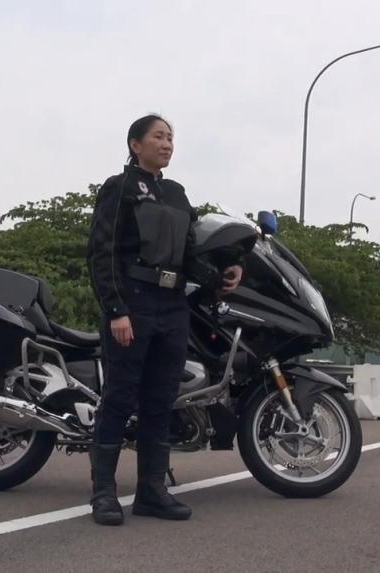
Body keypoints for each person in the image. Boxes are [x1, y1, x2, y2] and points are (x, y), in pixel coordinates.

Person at [86, 114, 242, 526]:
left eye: (171, 138)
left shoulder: (176, 193)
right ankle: (103, 494)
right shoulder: (119, 189)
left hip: (172, 308)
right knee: (120, 398)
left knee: (159, 401)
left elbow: (189, 256)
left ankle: (152, 492)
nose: (167, 143)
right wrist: (116, 309)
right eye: (158, 136)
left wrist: (220, 276)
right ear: (135, 144)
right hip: (133, 303)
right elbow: (102, 254)